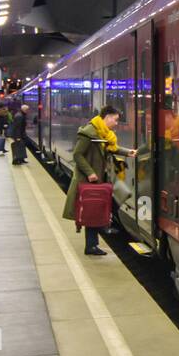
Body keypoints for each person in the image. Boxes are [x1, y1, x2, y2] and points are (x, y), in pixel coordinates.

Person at [62, 106, 137, 257]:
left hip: (99, 177)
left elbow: (111, 148)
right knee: (92, 211)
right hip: (88, 179)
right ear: (107, 117)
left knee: (97, 208)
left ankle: (96, 238)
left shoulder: (104, 133)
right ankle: (91, 245)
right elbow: (77, 154)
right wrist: (90, 173)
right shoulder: (89, 133)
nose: (116, 123)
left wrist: (128, 152)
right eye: (115, 120)